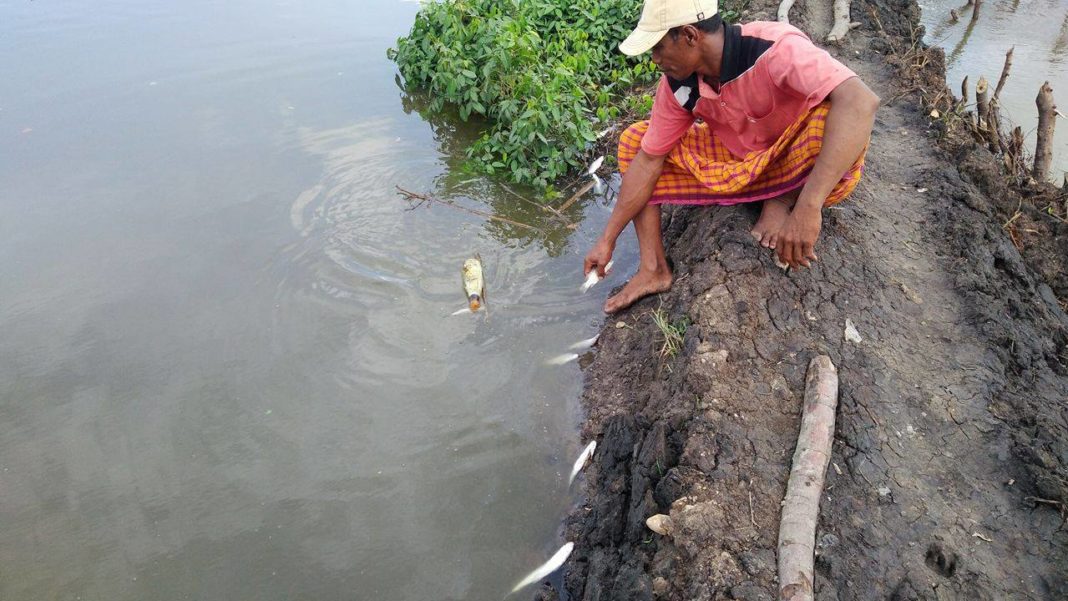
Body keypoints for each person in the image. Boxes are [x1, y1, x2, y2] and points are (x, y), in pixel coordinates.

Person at [583, 0, 880, 313]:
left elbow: (861, 101)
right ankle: (654, 269)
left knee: (832, 114)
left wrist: (808, 207)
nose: (655, 59)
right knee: (636, 142)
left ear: (689, 35)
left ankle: (781, 199)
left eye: (658, 48)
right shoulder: (679, 85)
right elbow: (648, 161)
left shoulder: (773, 48)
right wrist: (607, 239)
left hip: (796, 169)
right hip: (742, 166)